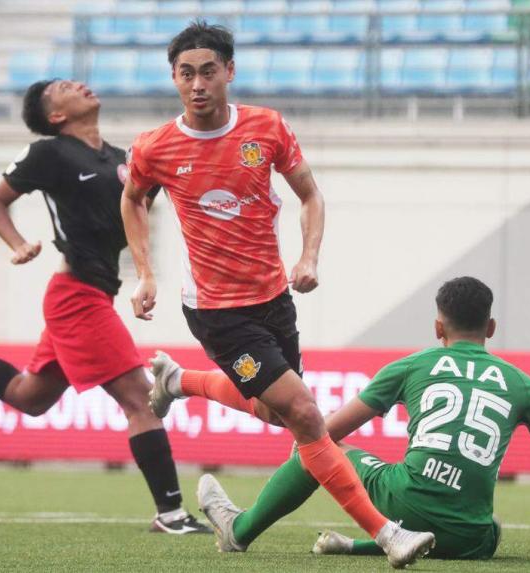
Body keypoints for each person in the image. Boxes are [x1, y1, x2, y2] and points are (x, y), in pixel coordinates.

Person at [120, 20, 435, 568]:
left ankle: (179, 381)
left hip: (272, 299)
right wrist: (146, 273)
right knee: (307, 416)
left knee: (275, 413)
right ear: (174, 78)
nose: (197, 84)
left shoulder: (266, 128)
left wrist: (308, 256)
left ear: (229, 73)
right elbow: (132, 200)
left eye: (208, 72)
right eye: (186, 74)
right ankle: (388, 535)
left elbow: (311, 196)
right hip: (216, 310)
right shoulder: (156, 146)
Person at [0, 78, 210, 535]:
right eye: (63, 87)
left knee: (29, 397)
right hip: (75, 295)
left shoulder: (122, 159)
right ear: (55, 116)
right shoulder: (50, 153)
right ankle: (171, 513)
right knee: (140, 400)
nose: (78, 84)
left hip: (94, 293)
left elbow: (141, 209)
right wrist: (16, 243)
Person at [150, 276, 530, 559]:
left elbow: (326, 432)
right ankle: (358, 546)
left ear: (437, 326)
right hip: (471, 535)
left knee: (317, 446)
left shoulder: (414, 365)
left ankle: (241, 530)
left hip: (404, 499)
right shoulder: (523, 384)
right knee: (488, 531)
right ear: (490, 327)